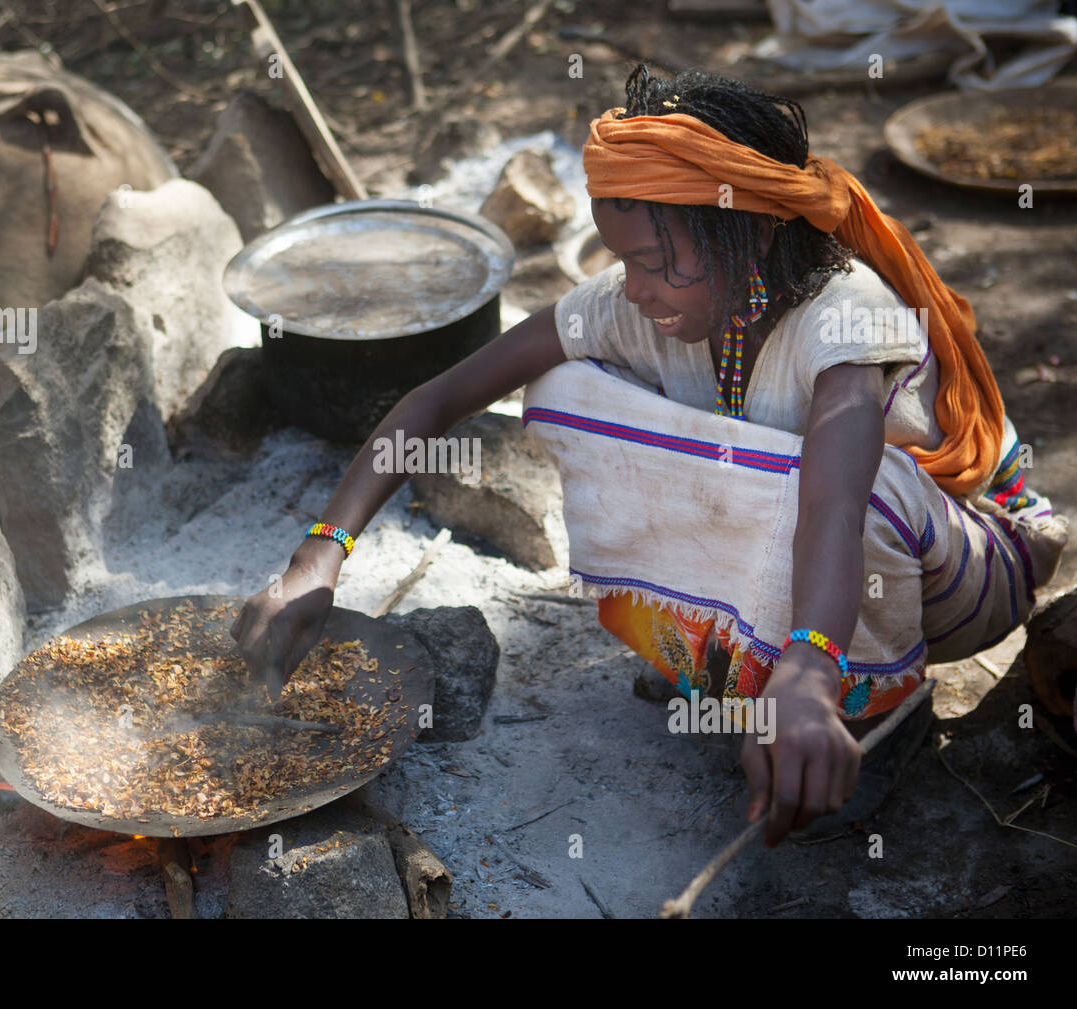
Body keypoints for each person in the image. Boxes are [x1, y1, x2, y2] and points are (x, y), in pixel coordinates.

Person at [231, 64, 1067, 848]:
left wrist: (810, 670)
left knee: (856, 484)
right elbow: (436, 400)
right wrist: (319, 555)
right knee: (565, 392)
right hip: (819, 542)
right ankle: (727, 672)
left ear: (751, 233)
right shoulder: (641, 304)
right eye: (622, 259)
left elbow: (837, 506)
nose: (633, 287)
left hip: (959, 565)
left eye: (651, 260)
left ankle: (859, 713)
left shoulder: (844, 318)